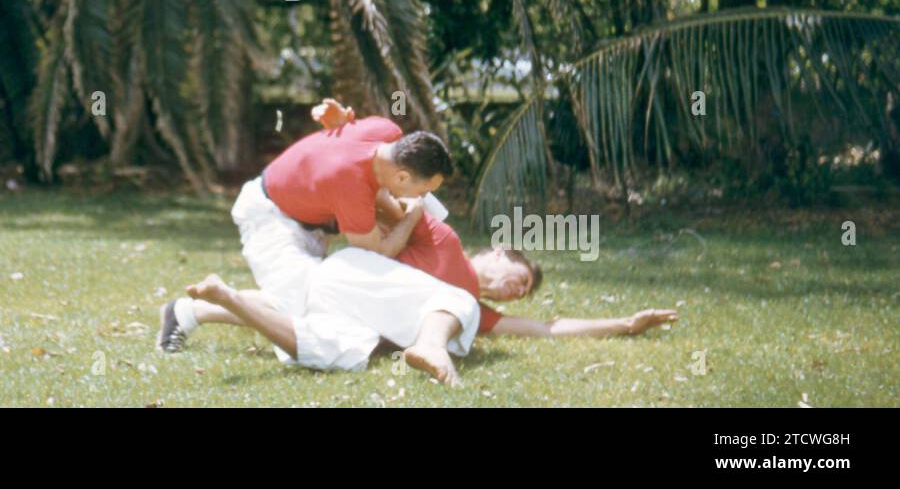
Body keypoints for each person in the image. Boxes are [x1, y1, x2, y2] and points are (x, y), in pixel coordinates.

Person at [180, 209, 678, 385]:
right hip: (354, 275)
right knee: (454, 302)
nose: (514, 289)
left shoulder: (475, 309)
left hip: (342, 307)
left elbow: (549, 328)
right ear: (500, 250)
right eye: (516, 275)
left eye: (521, 292)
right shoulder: (444, 240)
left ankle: (214, 302)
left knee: (342, 353)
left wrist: (624, 324)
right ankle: (431, 348)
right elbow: (394, 187)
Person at [159, 98, 454, 358]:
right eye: (422, 190)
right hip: (270, 217)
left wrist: (342, 121)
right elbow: (379, 252)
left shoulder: (386, 131)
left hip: (310, 218)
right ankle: (186, 312)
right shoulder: (349, 184)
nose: (421, 198)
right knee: (297, 305)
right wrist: (412, 215)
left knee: (318, 300)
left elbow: (355, 147)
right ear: (402, 177)